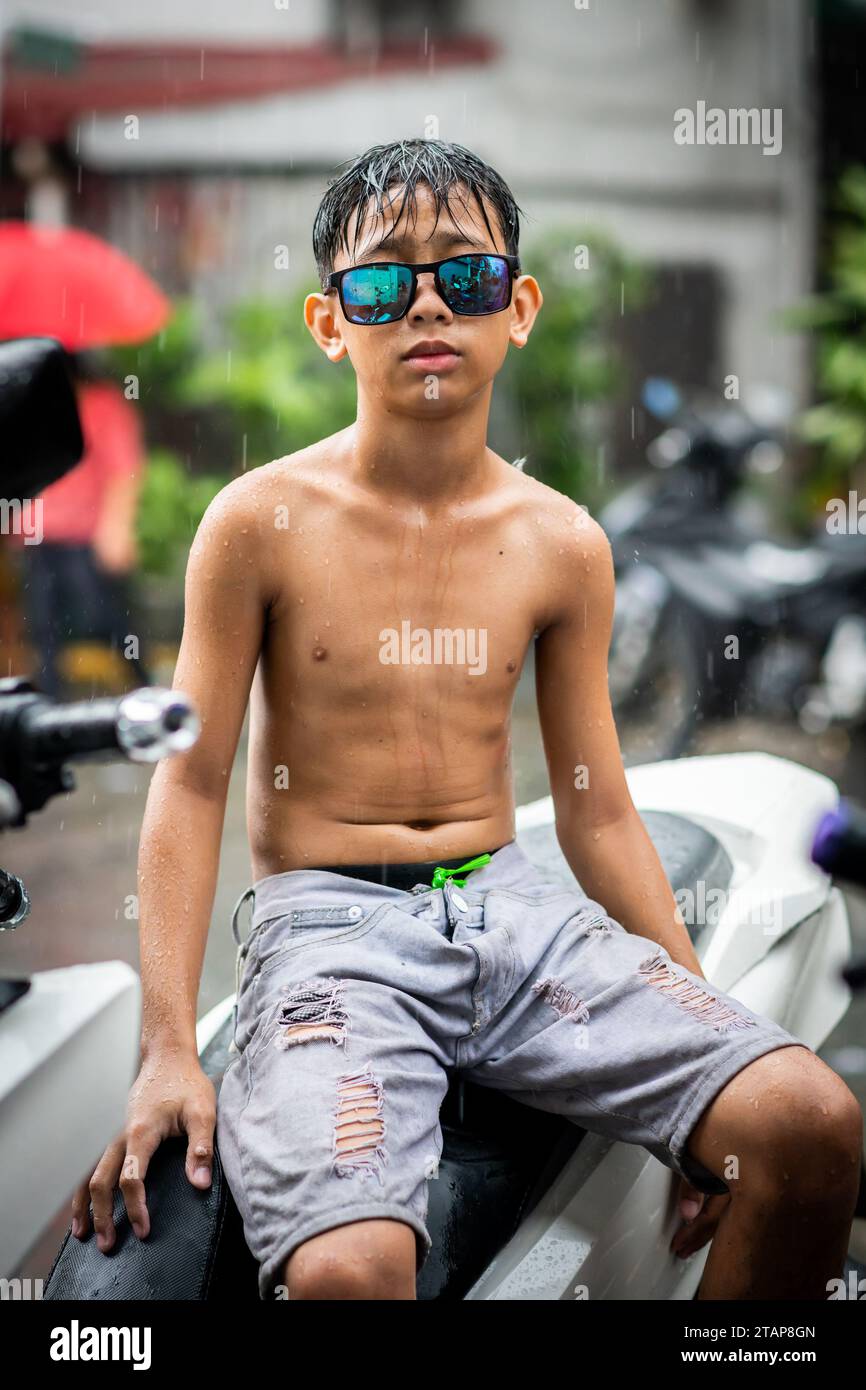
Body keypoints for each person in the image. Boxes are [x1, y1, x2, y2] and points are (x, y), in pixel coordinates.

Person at [72, 140, 861, 1301]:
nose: (427, 301)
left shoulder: (561, 540)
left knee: (806, 1122)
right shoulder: (257, 522)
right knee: (351, 1271)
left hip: (515, 908)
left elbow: (594, 810)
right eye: (383, 281)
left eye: (467, 276)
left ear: (518, 308)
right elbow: (188, 785)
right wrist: (167, 1047)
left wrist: (699, 1056)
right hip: (328, 934)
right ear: (330, 321)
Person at [14, 351, 151, 698]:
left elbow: (124, 471)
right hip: (38, 532)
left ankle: (148, 691)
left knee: (106, 618)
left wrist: (117, 528)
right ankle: (50, 709)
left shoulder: (101, 406)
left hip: (85, 535)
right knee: (42, 627)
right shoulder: (32, 407)